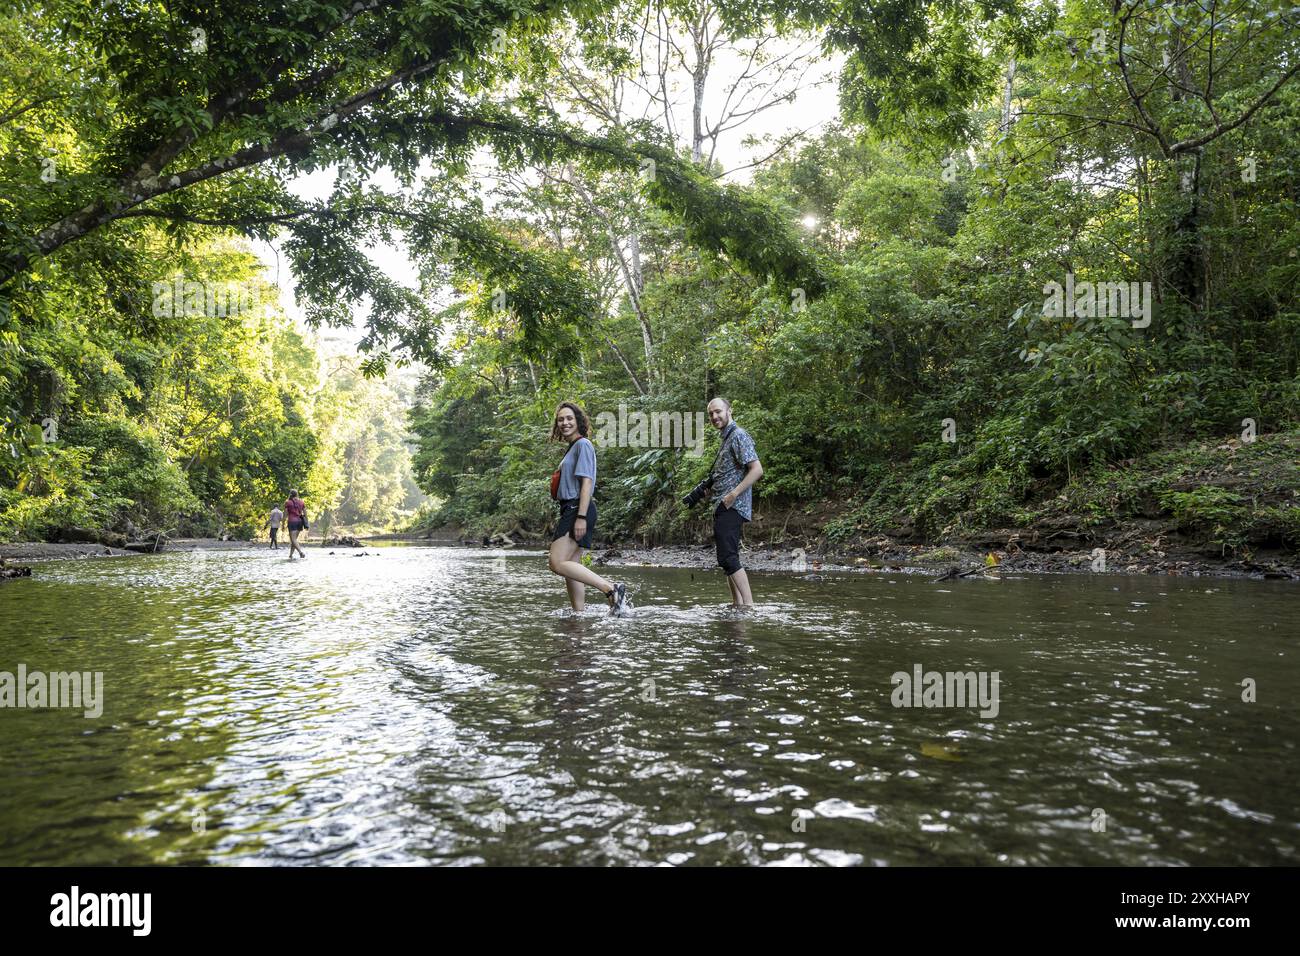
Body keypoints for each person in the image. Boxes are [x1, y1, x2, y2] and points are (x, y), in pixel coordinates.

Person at [547, 402, 629, 615]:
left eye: (569, 418)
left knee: (556, 562)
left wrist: (581, 516)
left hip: (577, 508)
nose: (564, 423)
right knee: (571, 565)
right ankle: (579, 614)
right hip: (570, 509)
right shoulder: (573, 447)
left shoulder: (583, 445)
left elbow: (587, 483)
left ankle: (611, 589)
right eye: (560, 419)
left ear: (578, 421)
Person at [706, 397, 763, 607]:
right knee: (725, 558)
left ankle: (748, 606)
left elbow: (757, 469)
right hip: (722, 505)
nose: (714, 416)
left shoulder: (739, 435)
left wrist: (733, 495)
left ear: (729, 411)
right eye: (711, 414)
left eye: (718, 411)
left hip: (733, 505)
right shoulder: (726, 438)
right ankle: (736, 603)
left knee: (729, 557)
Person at [283, 489, 308, 560]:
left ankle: (301, 552)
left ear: (290, 494)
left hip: (292, 522)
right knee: (294, 540)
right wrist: (307, 523)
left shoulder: (288, 502)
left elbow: (285, 514)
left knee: (293, 539)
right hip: (300, 522)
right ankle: (290, 555)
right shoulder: (302, 502)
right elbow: (305, 514)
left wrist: (283, 524)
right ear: (297, 494)